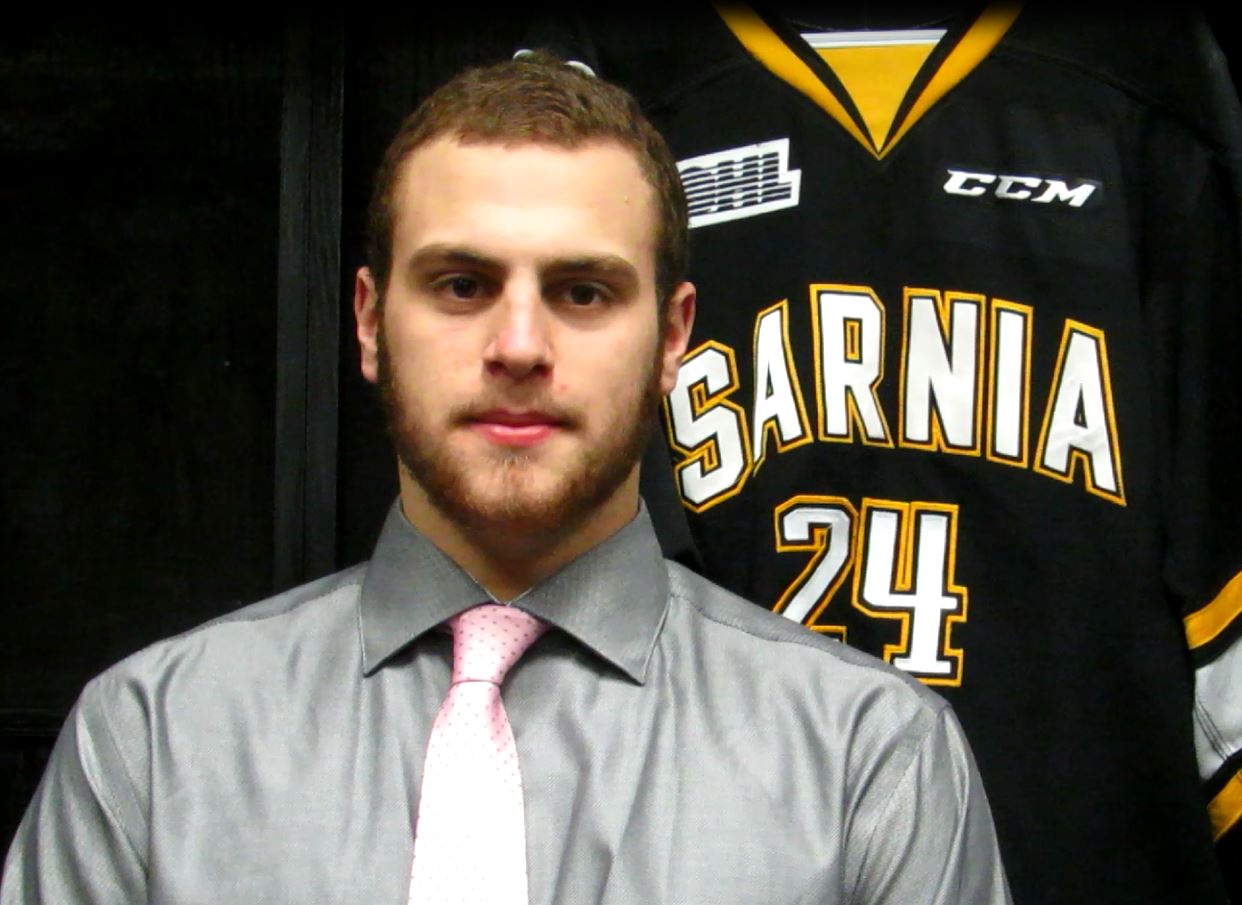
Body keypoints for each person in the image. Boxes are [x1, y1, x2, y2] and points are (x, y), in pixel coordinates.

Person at [0, 53, 1011, 905]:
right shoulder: (151, 744)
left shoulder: (868, 761)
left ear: (671, 337)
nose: (519, 344)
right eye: (461, 284)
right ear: (366, 319)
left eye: (582, 290)